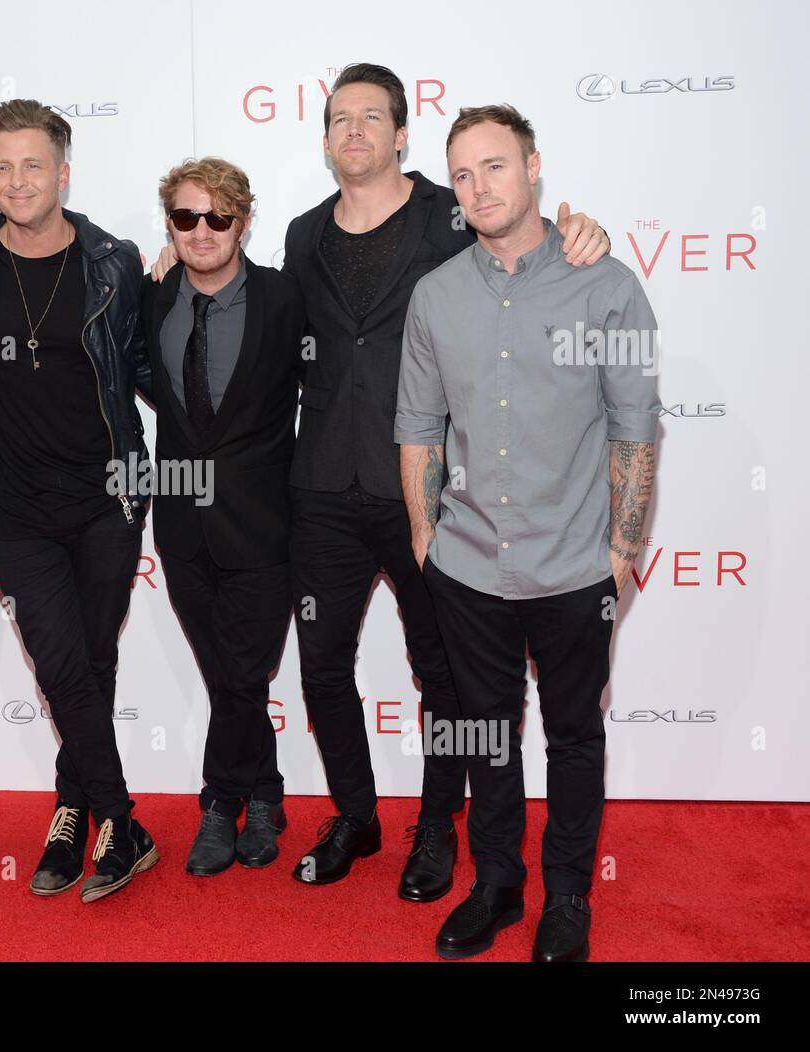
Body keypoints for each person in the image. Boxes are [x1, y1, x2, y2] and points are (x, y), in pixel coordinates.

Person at [279, 64, 608, 894]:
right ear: (324, 141)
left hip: (427, 492)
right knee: (322, 664)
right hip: (321, 484)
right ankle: (356, 816)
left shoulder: (452, 214)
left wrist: (579, 233)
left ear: (401, 135)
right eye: (339, 118)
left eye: (372, 116)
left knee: (450, 679)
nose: (354, 129)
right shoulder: (301, 235)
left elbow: (521, 256)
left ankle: (436, 828)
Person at [396, 104, 660, 961]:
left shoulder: (606, 284)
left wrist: (620, 553)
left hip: (578, 565)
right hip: (468, 567)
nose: (479, 187)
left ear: (535, 167)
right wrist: (426, 536)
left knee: (575, 735)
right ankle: (499, 884)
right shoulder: (436, 296)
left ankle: (570, 899)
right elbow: (418, 427)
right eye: (463, 173)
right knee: (485, 733)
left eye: (495, 166)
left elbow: (634, 426)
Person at [0, 99, 156, 903]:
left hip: (109, 499)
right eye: (2, 166)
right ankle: (123, 821)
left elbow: (144, 365)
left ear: (63, 173)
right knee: (63, 661)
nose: (18, 180)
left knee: (90, 664)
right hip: (19, 507)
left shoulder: (113, 260)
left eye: (33, 164)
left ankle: (74, 809)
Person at [141, 158, 305, 875]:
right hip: (180, 525)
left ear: (242, 221)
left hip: (265, 524)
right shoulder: (148, 299)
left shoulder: (285, 299)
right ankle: (264, 794)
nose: (200, 231)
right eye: (184, 217)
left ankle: (220, 802)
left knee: (242, 672)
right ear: (169, 226)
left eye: (216, 216)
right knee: (227, 676)